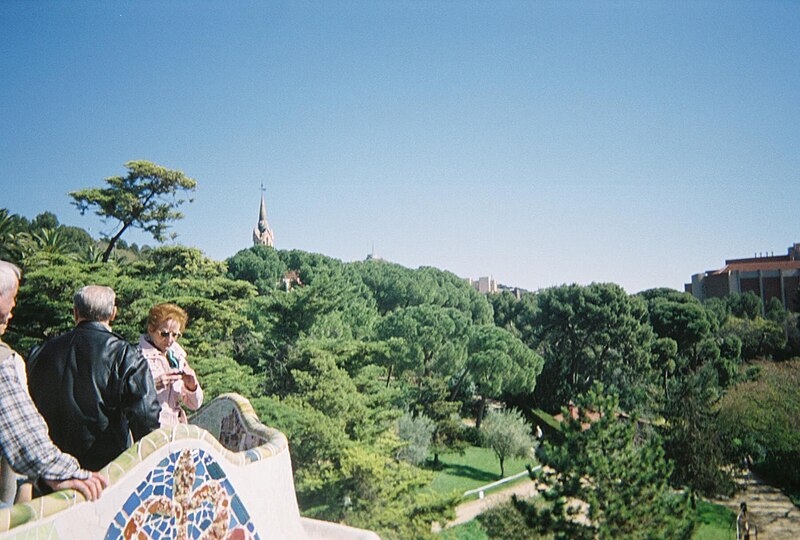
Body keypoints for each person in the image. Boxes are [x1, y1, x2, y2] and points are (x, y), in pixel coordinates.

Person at [0, 261, 107, 503]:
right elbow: (23, 433)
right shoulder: (3, 360)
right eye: (13, 297)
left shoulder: (42, 350)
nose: (14, 306)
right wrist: (63, 472)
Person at [27, 285, 160, 471]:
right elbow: (146, 418)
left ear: (75, 312)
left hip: (51, 469)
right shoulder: (125, 355)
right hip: (106, 471)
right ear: (113, 313)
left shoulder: (41, 352)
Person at [138, 303, 203, 427]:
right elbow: (127, 398)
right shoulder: (137, 357)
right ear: (151, 329)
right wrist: (152, 384)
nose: (170, 340)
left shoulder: (177, 357)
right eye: (164, 334)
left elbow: (195, 405)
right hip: (152, 428)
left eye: (175, 335)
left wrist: (192, 387)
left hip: (177, 427)